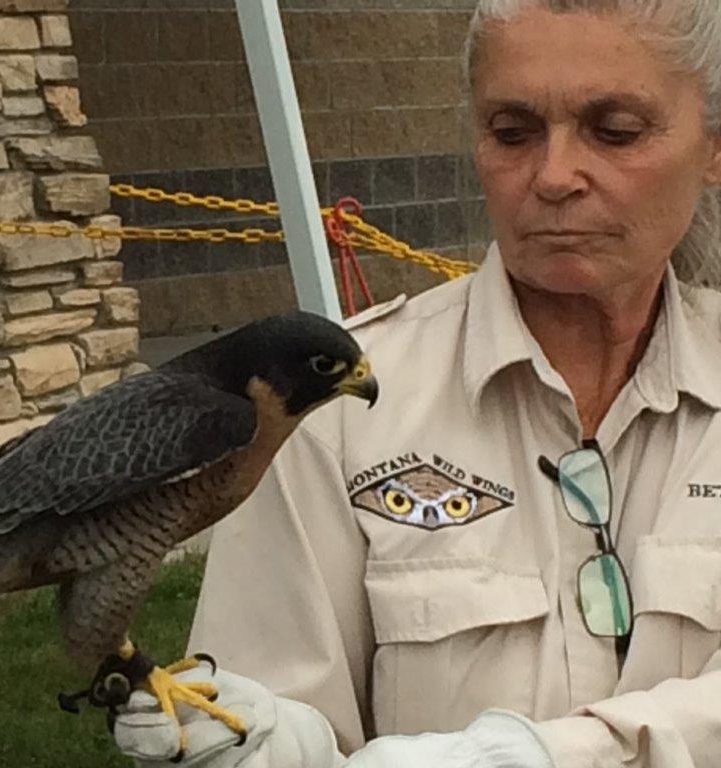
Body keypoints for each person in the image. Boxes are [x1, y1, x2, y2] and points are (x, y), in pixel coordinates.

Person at [112, 0, 721, 766]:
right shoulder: (332, 411)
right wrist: (270, 738)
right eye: (512, 132)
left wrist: (540, 755)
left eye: (616, 131)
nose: (555, 175)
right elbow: (263, 707)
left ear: (713, 146)